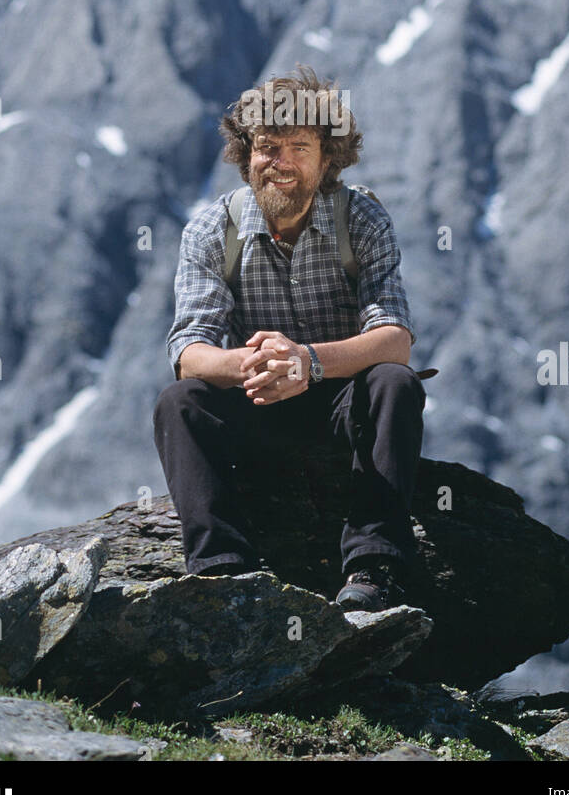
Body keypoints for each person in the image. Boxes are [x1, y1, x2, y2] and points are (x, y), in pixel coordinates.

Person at [154, 63, 426, 612]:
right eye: (265, 146)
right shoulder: (211, 232)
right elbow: (189, 352)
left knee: (395, 384)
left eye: (298, 147)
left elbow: (394, 339)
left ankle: (373, 569)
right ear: (245, 154)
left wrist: (306, 361)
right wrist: (256, 366)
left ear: (328, 159)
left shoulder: (363, 220)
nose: (278, 163)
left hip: (342, 408)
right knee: (179, 403)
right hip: (256, 404)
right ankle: (222, 575)